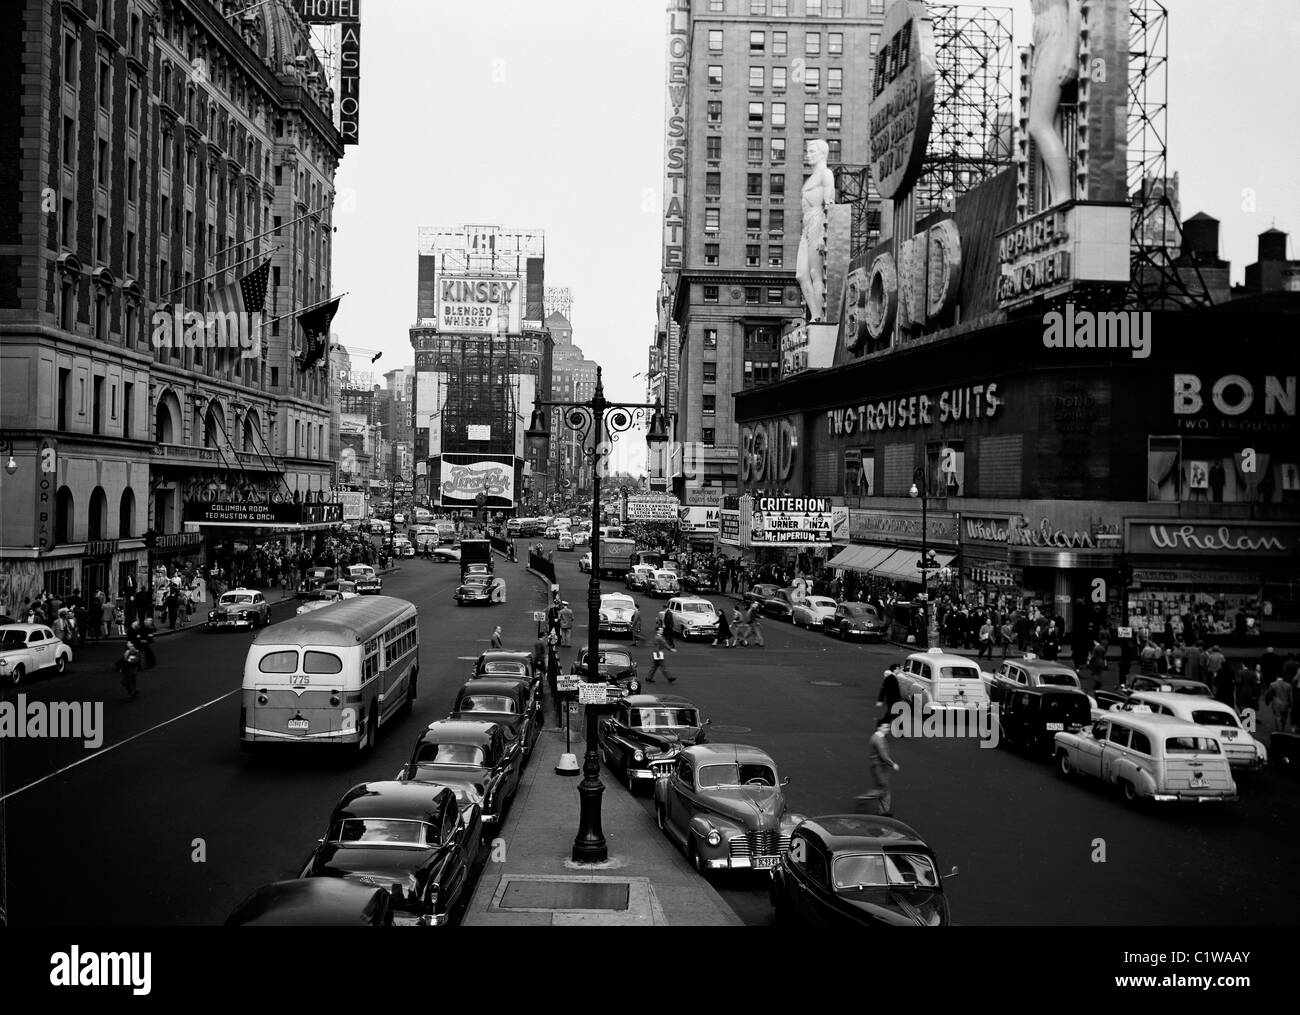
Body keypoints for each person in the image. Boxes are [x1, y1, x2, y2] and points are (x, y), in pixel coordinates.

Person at [861, 718, 900, 816]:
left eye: (888, 727)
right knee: (883, 789)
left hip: (878, 767)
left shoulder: (877, 737)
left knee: (884, 789)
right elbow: (883, 755)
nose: (888, 729)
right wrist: (892, 764)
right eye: (886, 727)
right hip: (879, 768)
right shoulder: (878, 739)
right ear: (879, 727)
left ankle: (883, 811)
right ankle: (863, 799)